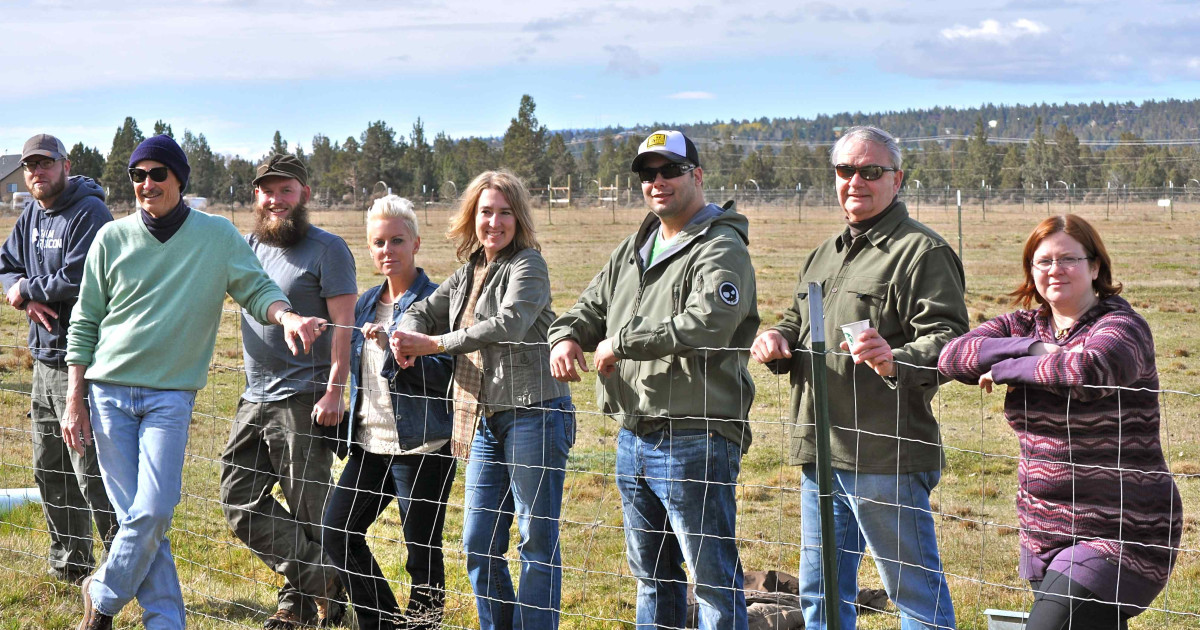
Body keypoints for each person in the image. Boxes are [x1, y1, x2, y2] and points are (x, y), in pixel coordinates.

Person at [63, 135, 327, 630]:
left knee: (154, 510)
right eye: (137, 175)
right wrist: (74, 398)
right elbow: (85, 321)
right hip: (107, 396)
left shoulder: (216, 236)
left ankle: (101, 595)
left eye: (156, 174)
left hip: (169, 397)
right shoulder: (111, 238)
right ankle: (166, 622)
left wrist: (287, 316)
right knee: (140, 520)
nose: (146, 184)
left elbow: (257, 289)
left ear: (179, 180)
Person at [750, 125, 965, 630]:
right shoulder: (824, 253)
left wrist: (897, 359)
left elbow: (952, 340)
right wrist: (777, 339)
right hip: (820, 451)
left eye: (871, 171)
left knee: (913, 593)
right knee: (820, 594)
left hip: (885, 455)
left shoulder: (921, 252)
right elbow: (796, 319)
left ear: (897, 179)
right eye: (846, 170)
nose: (856, 181)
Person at [548, 129, 759, 630]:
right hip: (634, 434)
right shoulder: (635, 247)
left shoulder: (720, 246)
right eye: (647, 173)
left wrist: (622, 344)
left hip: (695, 435)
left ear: (697, 175)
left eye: (670, 170)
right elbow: (589, 307)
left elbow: (708, 322)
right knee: (651, 578)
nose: (657, 181)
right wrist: (565, 336)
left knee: (712, 582)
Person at [939, 214, 1182, 630]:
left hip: (1121, 529)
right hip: (1043, 529)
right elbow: (951, 357)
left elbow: (1089, 370)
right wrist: (1032, 349)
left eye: (1069, 259)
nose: (1056, 270)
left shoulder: (1122, 326)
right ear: (1031, 271)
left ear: (1095, 266)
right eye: (1044, 261)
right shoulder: (1022, 325)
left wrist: (1007, 367)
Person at [391, 170, 574, 630]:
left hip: (535, 413)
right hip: (484, 420)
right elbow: (423, 308)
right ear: (472, 217)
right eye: (486, 212)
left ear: (519, 218)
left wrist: (434, 344)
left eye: (505, 213)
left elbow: (508, 324)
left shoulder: (528, 265)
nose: (494, 222)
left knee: (535, 539)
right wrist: (405, 332)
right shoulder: (468, 272)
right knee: (478, 542)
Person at [218, 154, 356, 629]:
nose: (275, 199)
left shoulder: (328, 249)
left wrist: (335, 390)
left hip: (303, 397)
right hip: (254, 395)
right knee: (237, 498)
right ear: (255, 195)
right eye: (267, 190)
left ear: (304, 195)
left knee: (310, 510)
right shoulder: (248, 246)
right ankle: (325, 581)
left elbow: (345, 327)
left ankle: (300, 605)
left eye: (286, 190)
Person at [322, 195, 457, 630]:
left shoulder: (436, 301)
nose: (388, 250)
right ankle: (381, 623)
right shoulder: (364, 304)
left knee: (421, 552)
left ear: (416, 243)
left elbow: (449, 374)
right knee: (338, 531)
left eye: (397, 240)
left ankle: (424, 625)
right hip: (370, 445)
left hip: (423, 447)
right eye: (379, 242)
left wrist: (398, 353)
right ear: (369, 248)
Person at [0, 133, 117, 585]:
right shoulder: (32, 212)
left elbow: (79, 276)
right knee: (49, 468)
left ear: (66, 165)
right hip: (44, 360)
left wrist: (26, 288)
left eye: (45, 163)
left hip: (85, 363)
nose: (37, 172)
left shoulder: (90, 212)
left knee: (92, 473)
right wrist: (22, 294)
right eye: (30, 165)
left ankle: (123, 569)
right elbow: (7, 264)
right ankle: (71, 566)